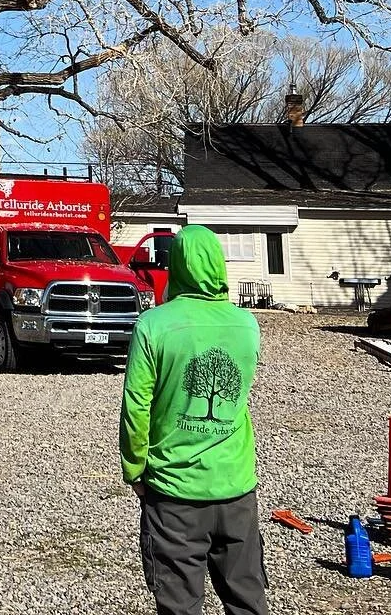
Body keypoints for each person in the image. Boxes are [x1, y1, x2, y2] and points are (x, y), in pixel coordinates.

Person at [119, 224, 266, 615]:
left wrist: (135, 469)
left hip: (174, 491)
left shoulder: (153, 325)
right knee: (247, 599)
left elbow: (137, 407)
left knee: (180, 605)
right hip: (235, 487)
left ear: (177, 265)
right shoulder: (247, 325)